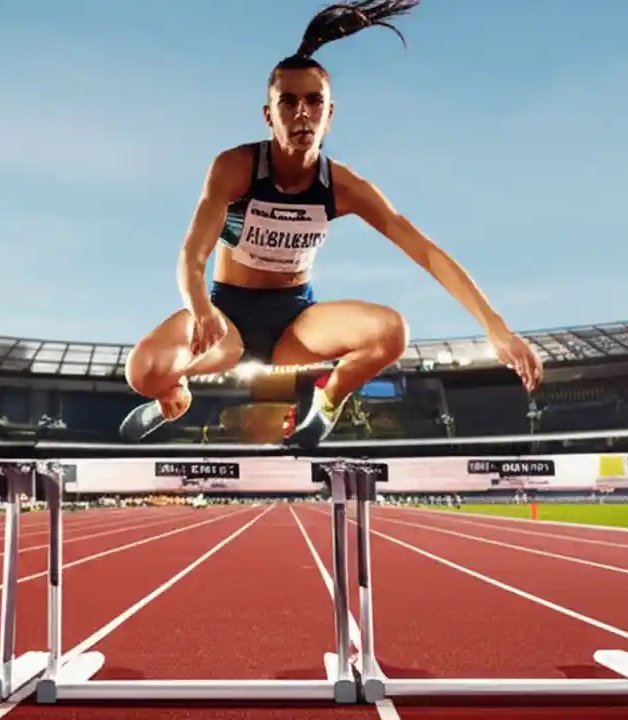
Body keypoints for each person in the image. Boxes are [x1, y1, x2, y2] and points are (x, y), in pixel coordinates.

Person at [120, 0, 543, 448]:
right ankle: (173, 394)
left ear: (330, 113)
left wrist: (495, 326)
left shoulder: (342, 186)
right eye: (288, 102)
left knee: (392, 332)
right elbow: (193, 254)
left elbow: (425, 252)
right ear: (269, 115)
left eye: (314, 101)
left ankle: (329, 400)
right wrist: (201, 308)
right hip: (228, 320)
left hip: (296, 323)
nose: (302, 112)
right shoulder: (236, 168)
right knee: (142, 372)